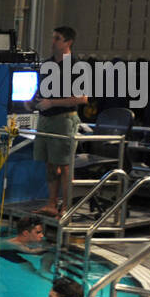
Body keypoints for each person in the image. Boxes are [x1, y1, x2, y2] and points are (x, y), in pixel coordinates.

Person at [31, 26, 89, 217]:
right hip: (45, 119)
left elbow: (82, 98)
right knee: (49, 163)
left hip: (63, 120)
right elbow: (43, 92)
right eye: (53, 37)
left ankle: (66, 206)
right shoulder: (47, 64)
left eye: (57, 38)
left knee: (64, 165)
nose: (53, 41)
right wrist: (36, 100)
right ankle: (51, 203)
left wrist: (52, 102)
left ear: (68, 42)